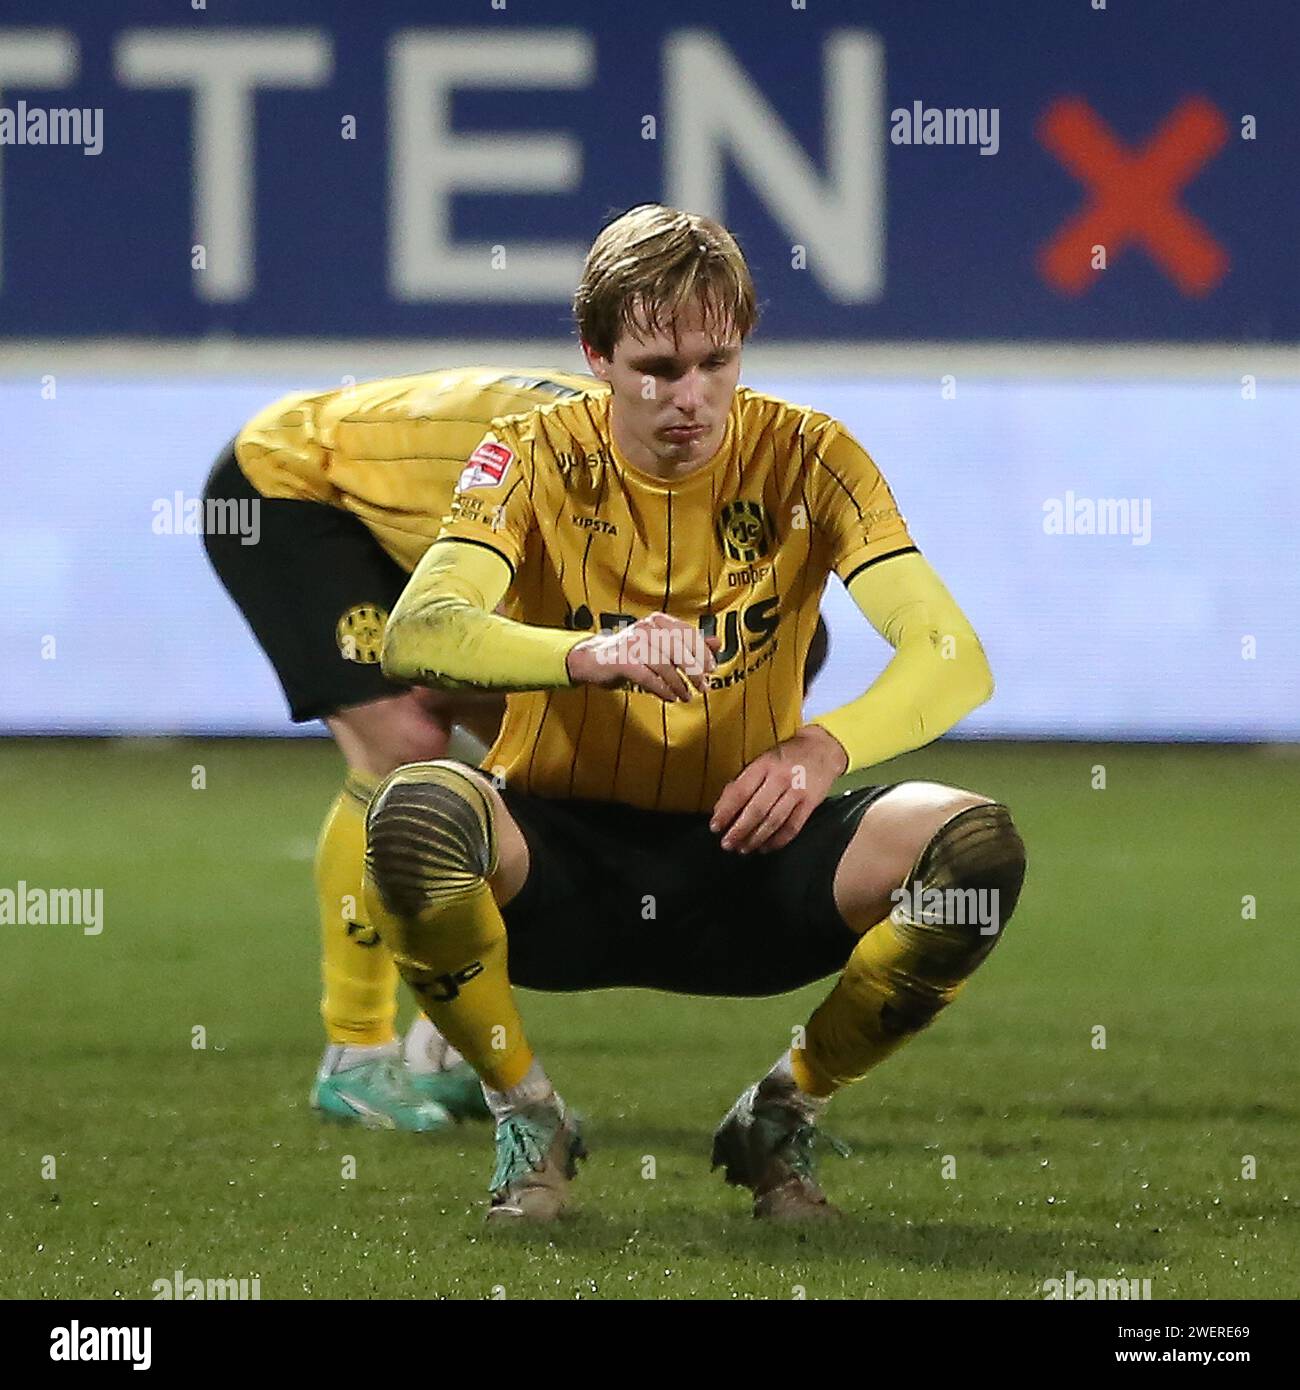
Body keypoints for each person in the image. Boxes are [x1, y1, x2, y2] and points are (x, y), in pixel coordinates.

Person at [361, 203, 1027, 1220]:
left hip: (750, 849)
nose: (692, 397)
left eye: (716, 361)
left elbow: (954, 655)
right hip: (558, 863)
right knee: (413, 815)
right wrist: (592, 653)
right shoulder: (527, 455)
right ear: (594, 355)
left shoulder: (812, 454)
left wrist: (821, 747)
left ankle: (782, 1111)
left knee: (974, 851)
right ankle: (525, 1113)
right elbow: (420, 629)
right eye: (657, 369)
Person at [203, 364, 834, 1134]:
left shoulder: (671, 491)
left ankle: (447, 1045)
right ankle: (357, 1057)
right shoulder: (573, 486)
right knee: (404, 742)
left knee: (549, 742)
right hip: (288, 485)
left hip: (404, 517)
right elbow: (474, 639)